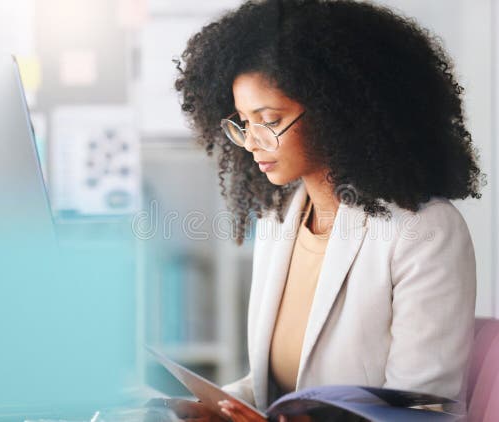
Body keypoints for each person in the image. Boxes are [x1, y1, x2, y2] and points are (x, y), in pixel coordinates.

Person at [160, 0, 482, 420]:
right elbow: (277, 385)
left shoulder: (424, 231)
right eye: (242, 122)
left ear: (338, 111)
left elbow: (421, 410)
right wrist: (215, 406)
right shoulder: (279, 217)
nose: (252, 141)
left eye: (270, 120)